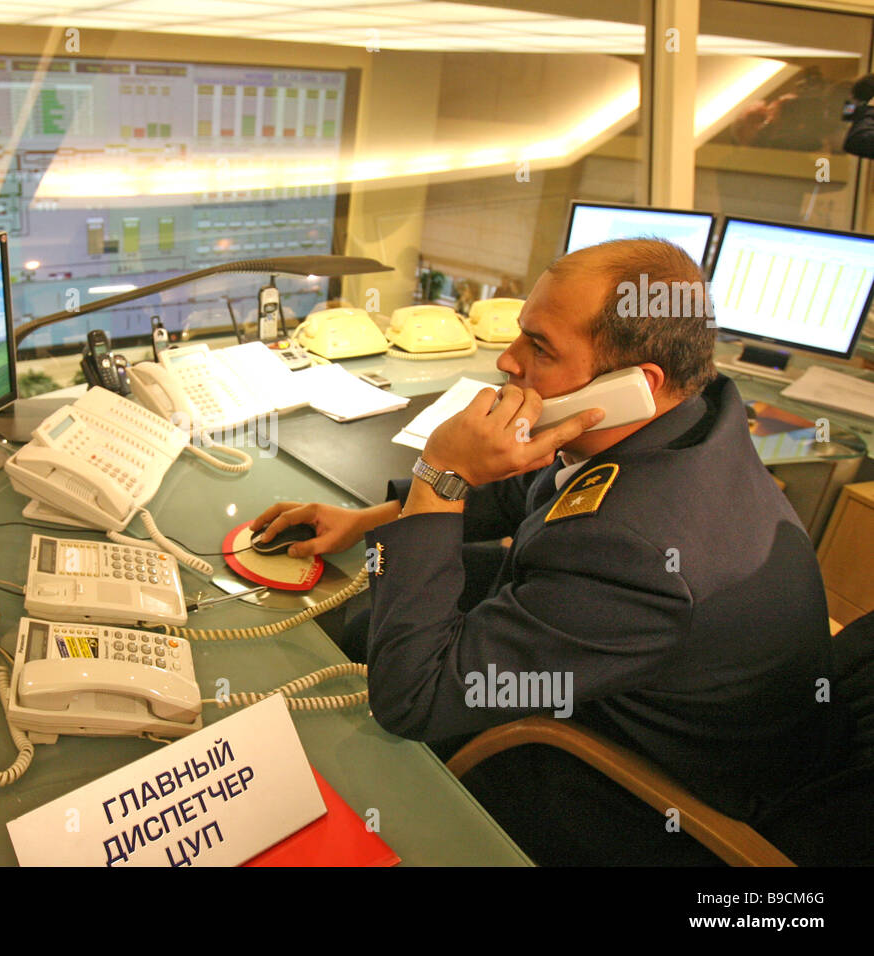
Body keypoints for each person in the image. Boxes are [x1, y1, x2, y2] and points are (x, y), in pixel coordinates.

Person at [250, 238, 845, 864]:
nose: (507, 361)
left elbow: (413, 699)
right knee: (371, 619)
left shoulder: (639, 553)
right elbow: (540, 489)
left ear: (635, 386)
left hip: (639, 792)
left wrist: (442, 474)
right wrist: (368, 521)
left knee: (379, 697)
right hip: (642, 664)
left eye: (540, 348)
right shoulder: (693, 414)